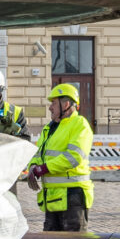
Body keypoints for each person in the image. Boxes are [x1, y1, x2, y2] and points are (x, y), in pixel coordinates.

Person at [27, 82, 94, 231]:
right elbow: (38, 154)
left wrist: (43, 169)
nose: (50, 107)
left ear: (66, 105)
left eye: (53, 103)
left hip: (73, 196)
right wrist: (33, 167)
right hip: (52, 197)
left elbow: (73, 157)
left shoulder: (79, 124)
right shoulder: (49, 128)